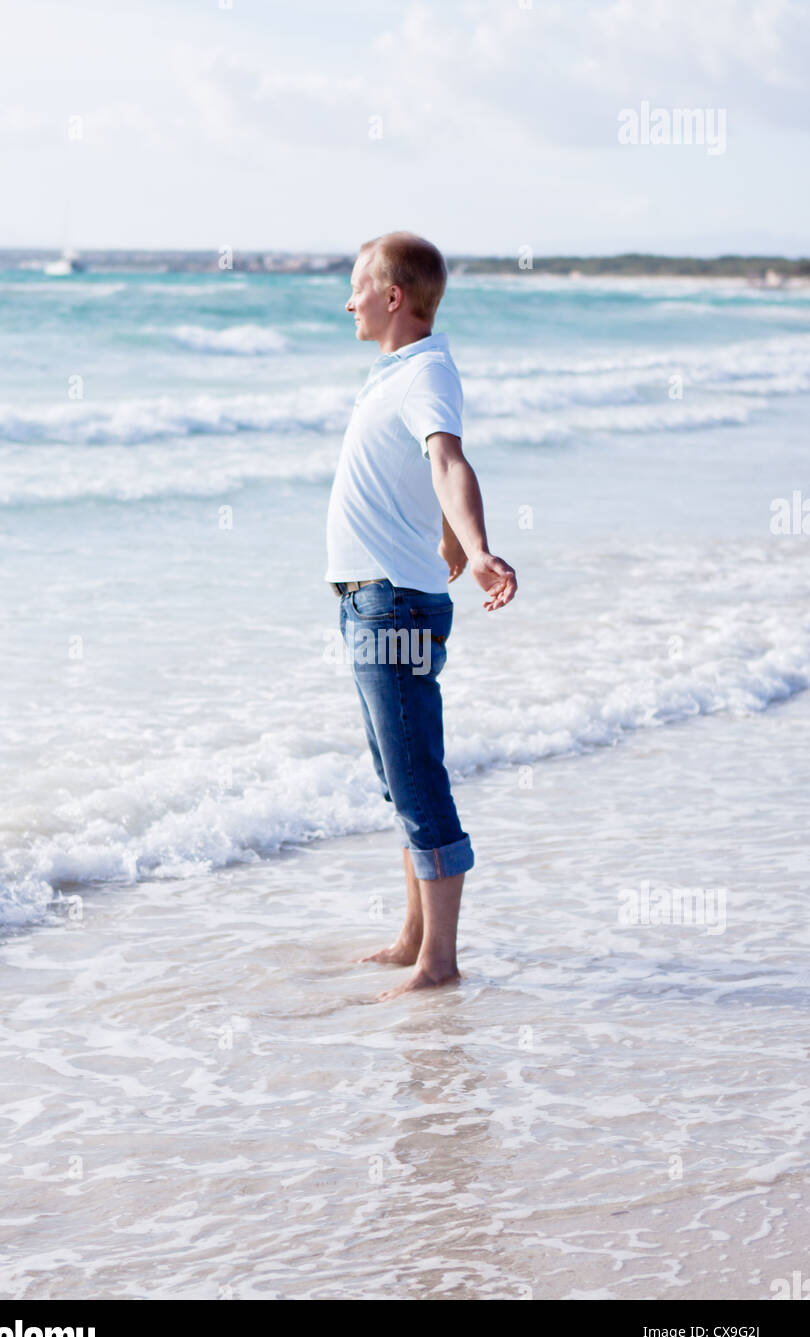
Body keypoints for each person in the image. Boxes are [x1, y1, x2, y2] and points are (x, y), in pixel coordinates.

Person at [326, 231, 517, 1000]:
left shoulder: (426, 373)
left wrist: (474, 548)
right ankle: (414, 937)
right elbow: (418, 474)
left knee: (418, 780)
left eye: (358, 287)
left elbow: (447, 459)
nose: (349, 301)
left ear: (393, 296)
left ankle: (439, 962)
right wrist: (445, 537)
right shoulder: (397, 375)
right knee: (396, 779)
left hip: (391, 610)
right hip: (372, 603)